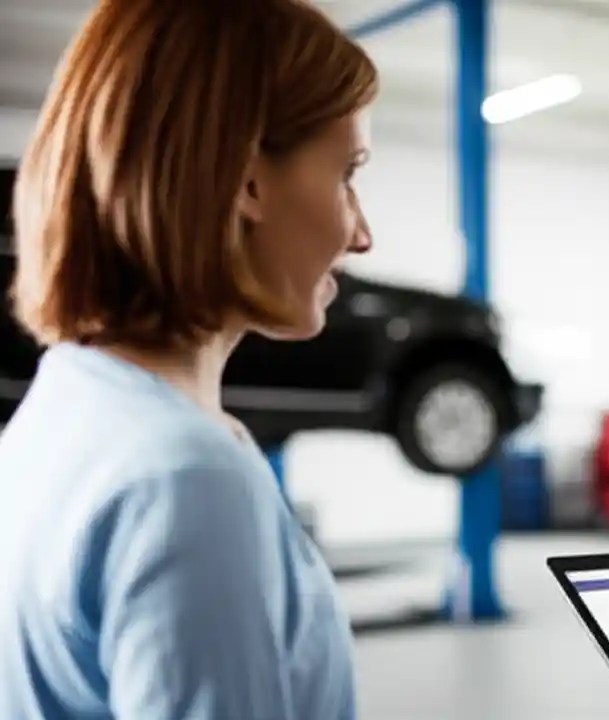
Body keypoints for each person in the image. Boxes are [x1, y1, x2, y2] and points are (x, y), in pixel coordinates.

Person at [0, 2, 378, 718]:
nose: (361, 233)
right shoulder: (185, 479)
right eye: (347, 172)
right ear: (246, 181)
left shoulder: (64, 415)